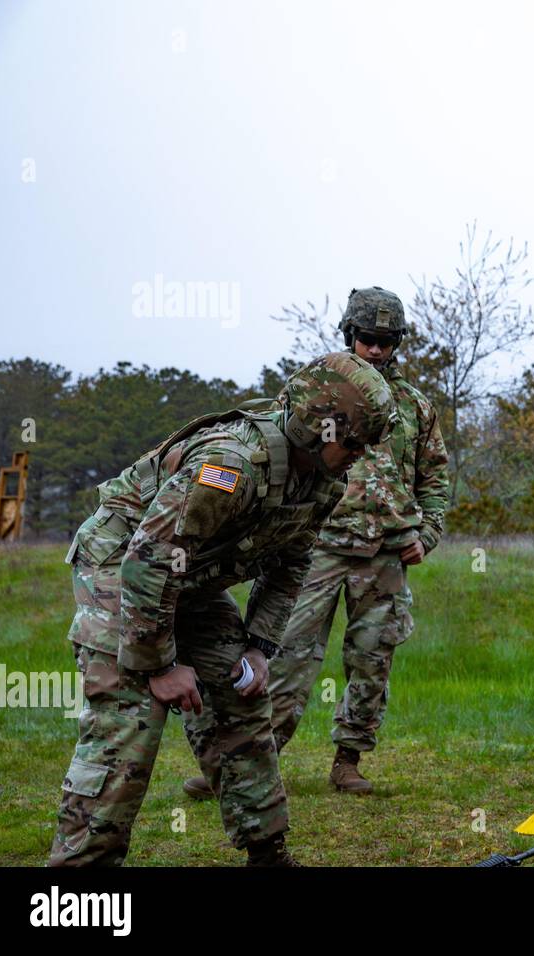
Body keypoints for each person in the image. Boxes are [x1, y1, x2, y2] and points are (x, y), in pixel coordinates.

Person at [49, 353, 394, 865]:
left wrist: (258, 648)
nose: (360, 455)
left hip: (187, 576)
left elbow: (292, 562)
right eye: (355, 441)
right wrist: (160, 665)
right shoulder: (229, 465)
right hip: (122, 567)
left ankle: (268, 853)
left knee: (244, 697)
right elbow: (147, 562)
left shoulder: (325, 481)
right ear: (317, 426)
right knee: (131, 717)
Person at [183, 288, 449, 798]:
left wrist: (428, 531)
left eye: (385, 341)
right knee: (285, 659)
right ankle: (253, 764)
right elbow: (278, 450)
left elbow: (434, 477)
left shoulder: (414, 406)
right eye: (367, 339)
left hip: (385, 552)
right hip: (315, 547)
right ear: (350, 335)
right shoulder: (311, 395)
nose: (375, 350)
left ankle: (348, 761)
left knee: (372, 660)